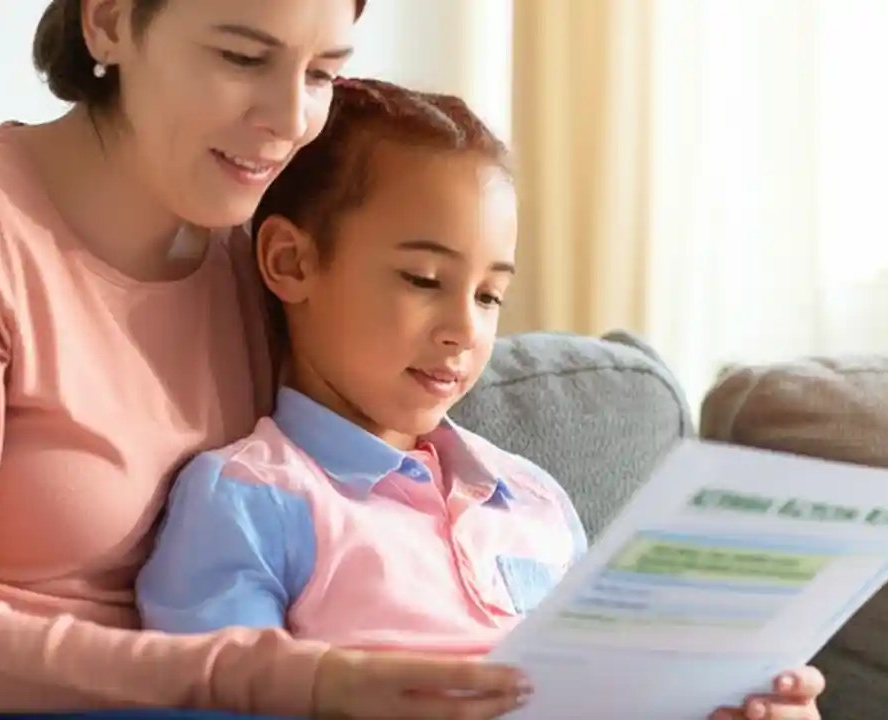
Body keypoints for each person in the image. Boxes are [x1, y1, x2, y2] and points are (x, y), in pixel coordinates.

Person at [0, 0, 824, 718]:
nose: (286, 120)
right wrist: (299, 684)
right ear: (113, 20)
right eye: (241, 56)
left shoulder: (260, 252)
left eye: (322, 70)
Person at [134, 78, 828, 720]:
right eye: (423, 278)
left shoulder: (534, 500)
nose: (465, 328)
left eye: (490, 294)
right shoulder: (252, 500)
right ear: (292, 262)